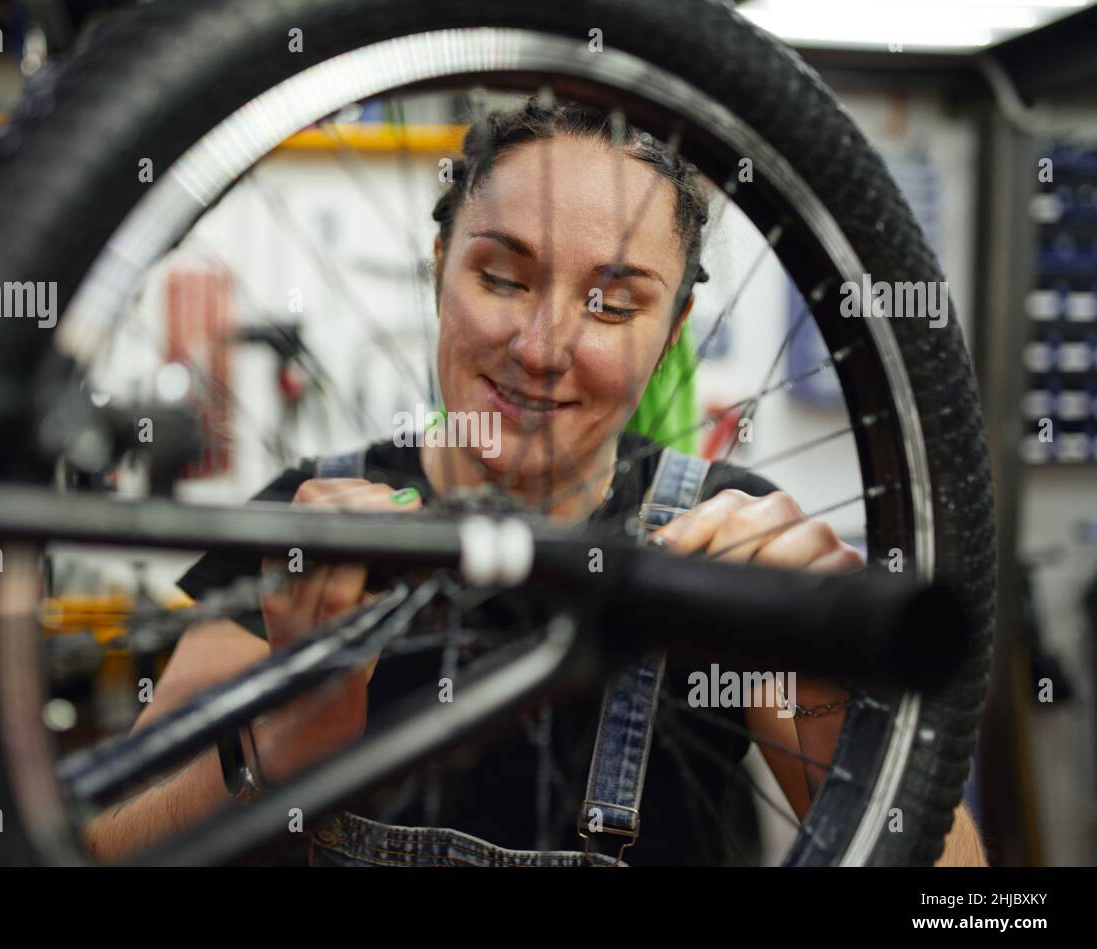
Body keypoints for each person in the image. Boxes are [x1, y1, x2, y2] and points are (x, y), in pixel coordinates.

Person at [83, 98, 986, 866]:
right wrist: (271, 748)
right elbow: (105, 844)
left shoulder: (734, 541)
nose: (543, 348)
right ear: (439, 272)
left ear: (670, 333)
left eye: (614, 303)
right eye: (505, 277)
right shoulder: (307, 516)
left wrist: (833, 701)